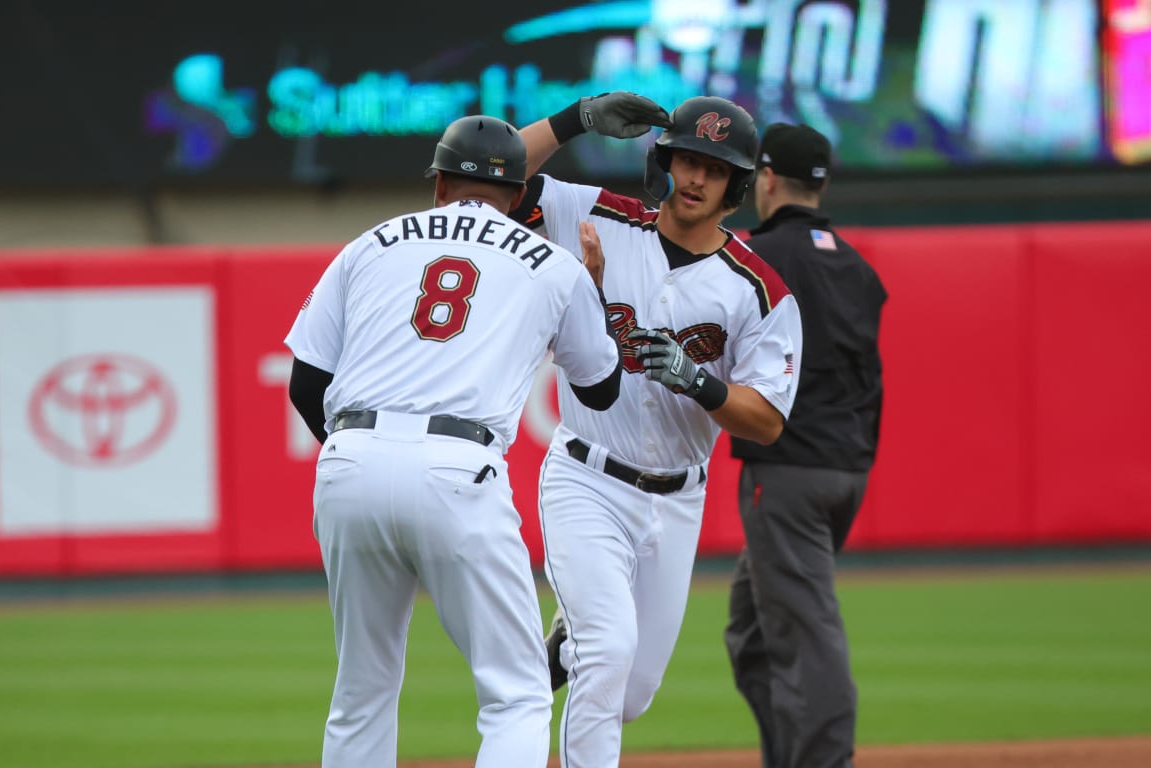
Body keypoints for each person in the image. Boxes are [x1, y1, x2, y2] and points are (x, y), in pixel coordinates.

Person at [282, 115, 623, 768]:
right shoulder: (553, 264)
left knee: (361, 689)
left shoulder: (370, 242)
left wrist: (358, 455)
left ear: (439, 182)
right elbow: (602, 388)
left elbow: (305, 382)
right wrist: (596, 290)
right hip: (459, 467)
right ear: (521, 196)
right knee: (517, 694)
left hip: (349, 458)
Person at [512, 93, 804, 767]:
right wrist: (574, 120)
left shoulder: (756, 288)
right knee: (609, 652)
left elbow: (766, 421)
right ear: (664, 161)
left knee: (629, 694)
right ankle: (570, 657)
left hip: (677, 498)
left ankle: (559, 648)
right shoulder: (598, 216)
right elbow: (485, 173)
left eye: (716, 168)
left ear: (738, 183)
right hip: (588, 474)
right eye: (688, 159)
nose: (698, 178)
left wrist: (699, 381)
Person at [726, 123, 887, 768]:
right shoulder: (856, 265)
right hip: (846, 467)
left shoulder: (758, 257)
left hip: (788, 472)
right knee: (753, 630)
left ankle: (824, 761)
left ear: (765, 178)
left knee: (805, 630)